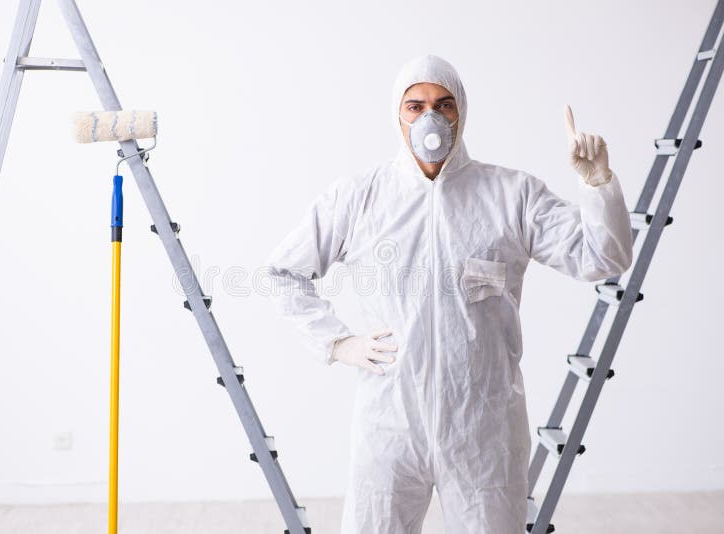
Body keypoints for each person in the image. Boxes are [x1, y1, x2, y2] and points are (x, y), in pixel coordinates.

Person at [265, 54, 633, 534]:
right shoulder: (361, 197)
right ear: (398, 115)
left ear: (462, 112)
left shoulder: (511, 195)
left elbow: (603, 259)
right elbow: (281, 272)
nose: (431, 119)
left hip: (485, 431)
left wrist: (597, 182)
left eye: (444, 104)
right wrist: (338, 343)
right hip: (390, 427)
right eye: (415, 106)